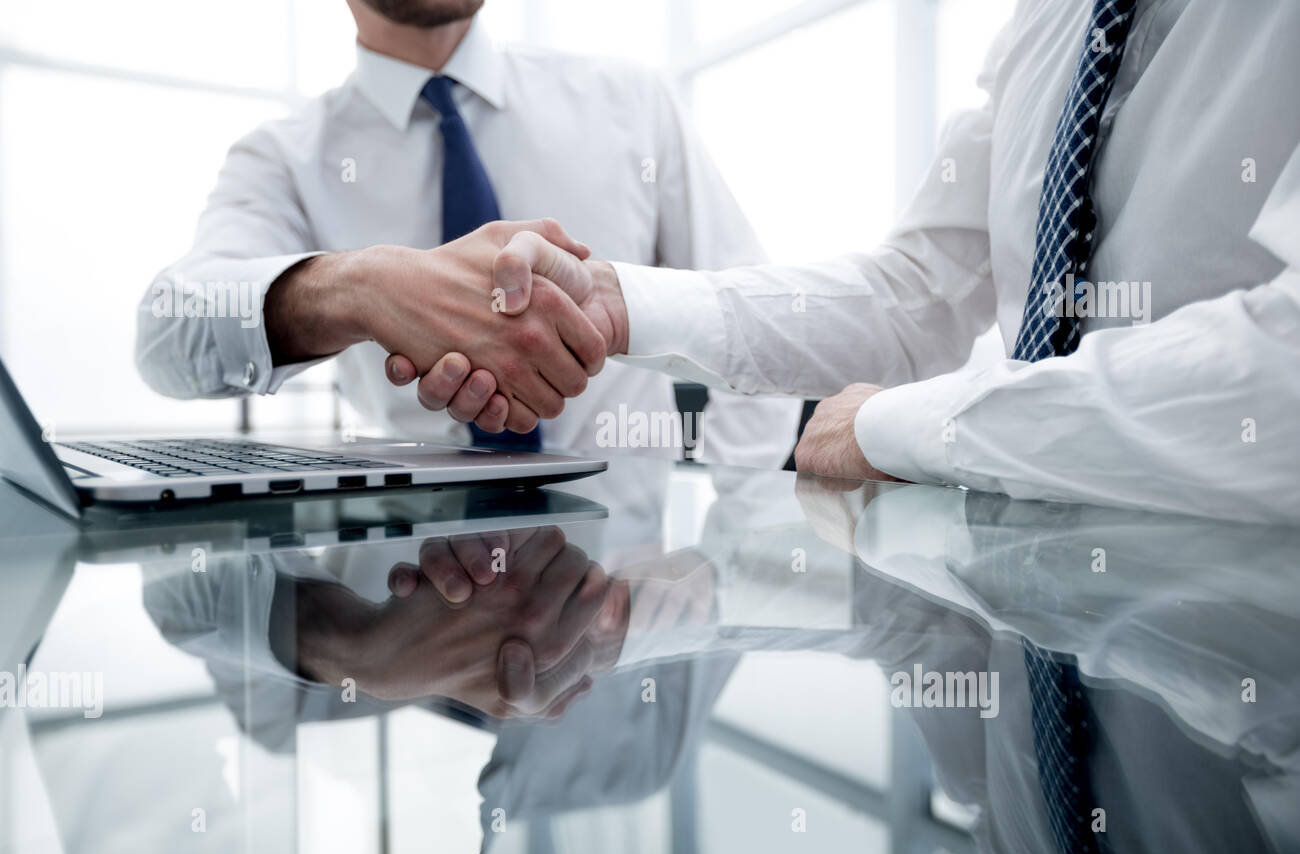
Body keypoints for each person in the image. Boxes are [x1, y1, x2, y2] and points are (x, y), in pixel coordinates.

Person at [418, 0, 1300, 523]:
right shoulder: (1053, 19)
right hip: (1039, 620)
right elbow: (920, 291)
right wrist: (620, 305)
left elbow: (1281, 380)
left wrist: (896, 427)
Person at [136, 0, 799, 466]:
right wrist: (360, 287)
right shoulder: (284, 157)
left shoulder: (632, 102)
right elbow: (167, 335)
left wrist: (736, 555)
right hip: (401, 602)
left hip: (630, 606)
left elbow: (749, 326)